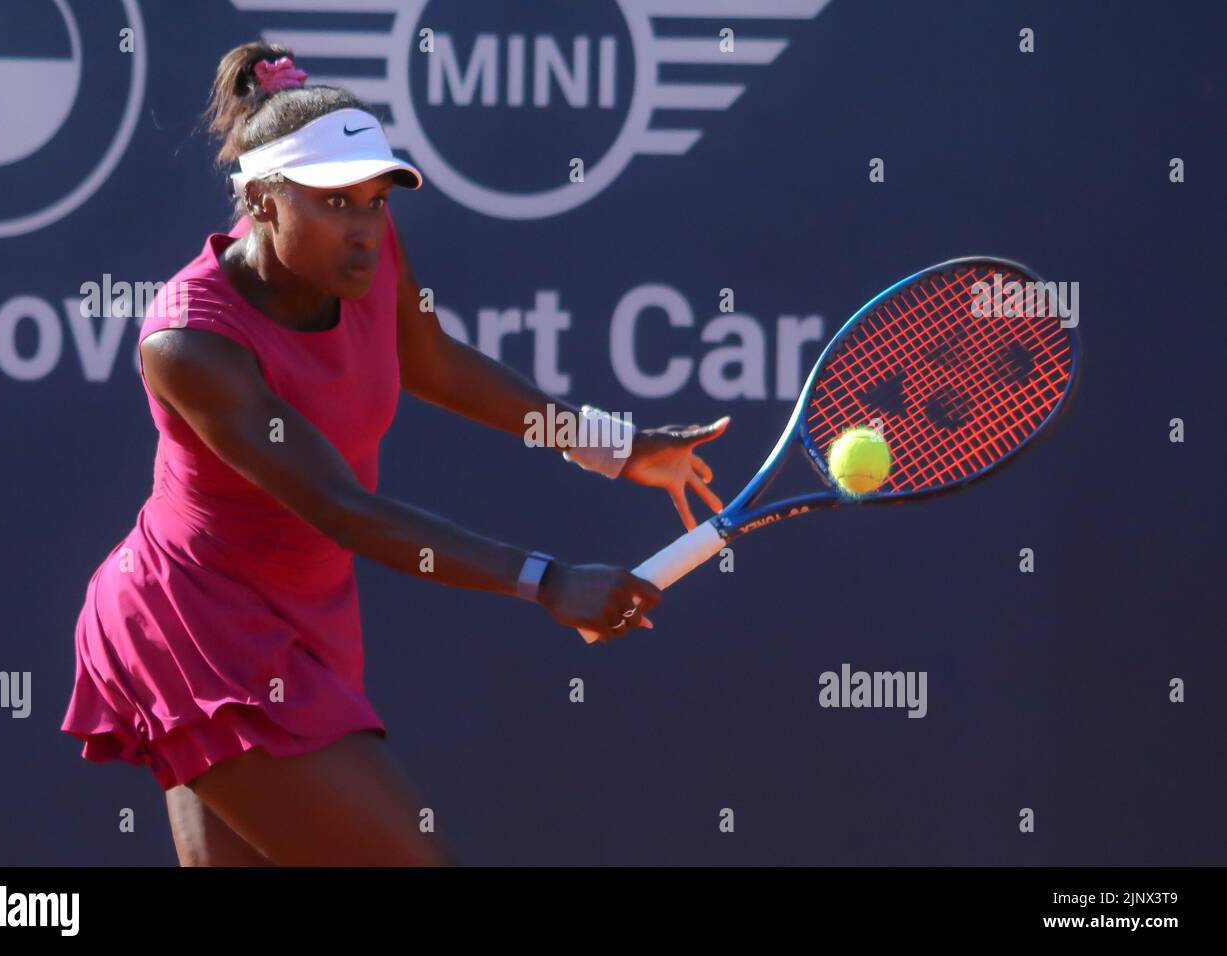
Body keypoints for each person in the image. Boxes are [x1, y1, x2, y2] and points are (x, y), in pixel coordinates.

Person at [60, 42, 730, 866]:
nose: (366, 227)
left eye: (376, 201)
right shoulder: (190, 343)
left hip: (303, 621)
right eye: (337, 201)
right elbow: (344, 508)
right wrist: (547, 579)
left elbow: (433, 363)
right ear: (262, 201)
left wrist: (611, 447)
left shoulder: (364, 254)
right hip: (197, 631)